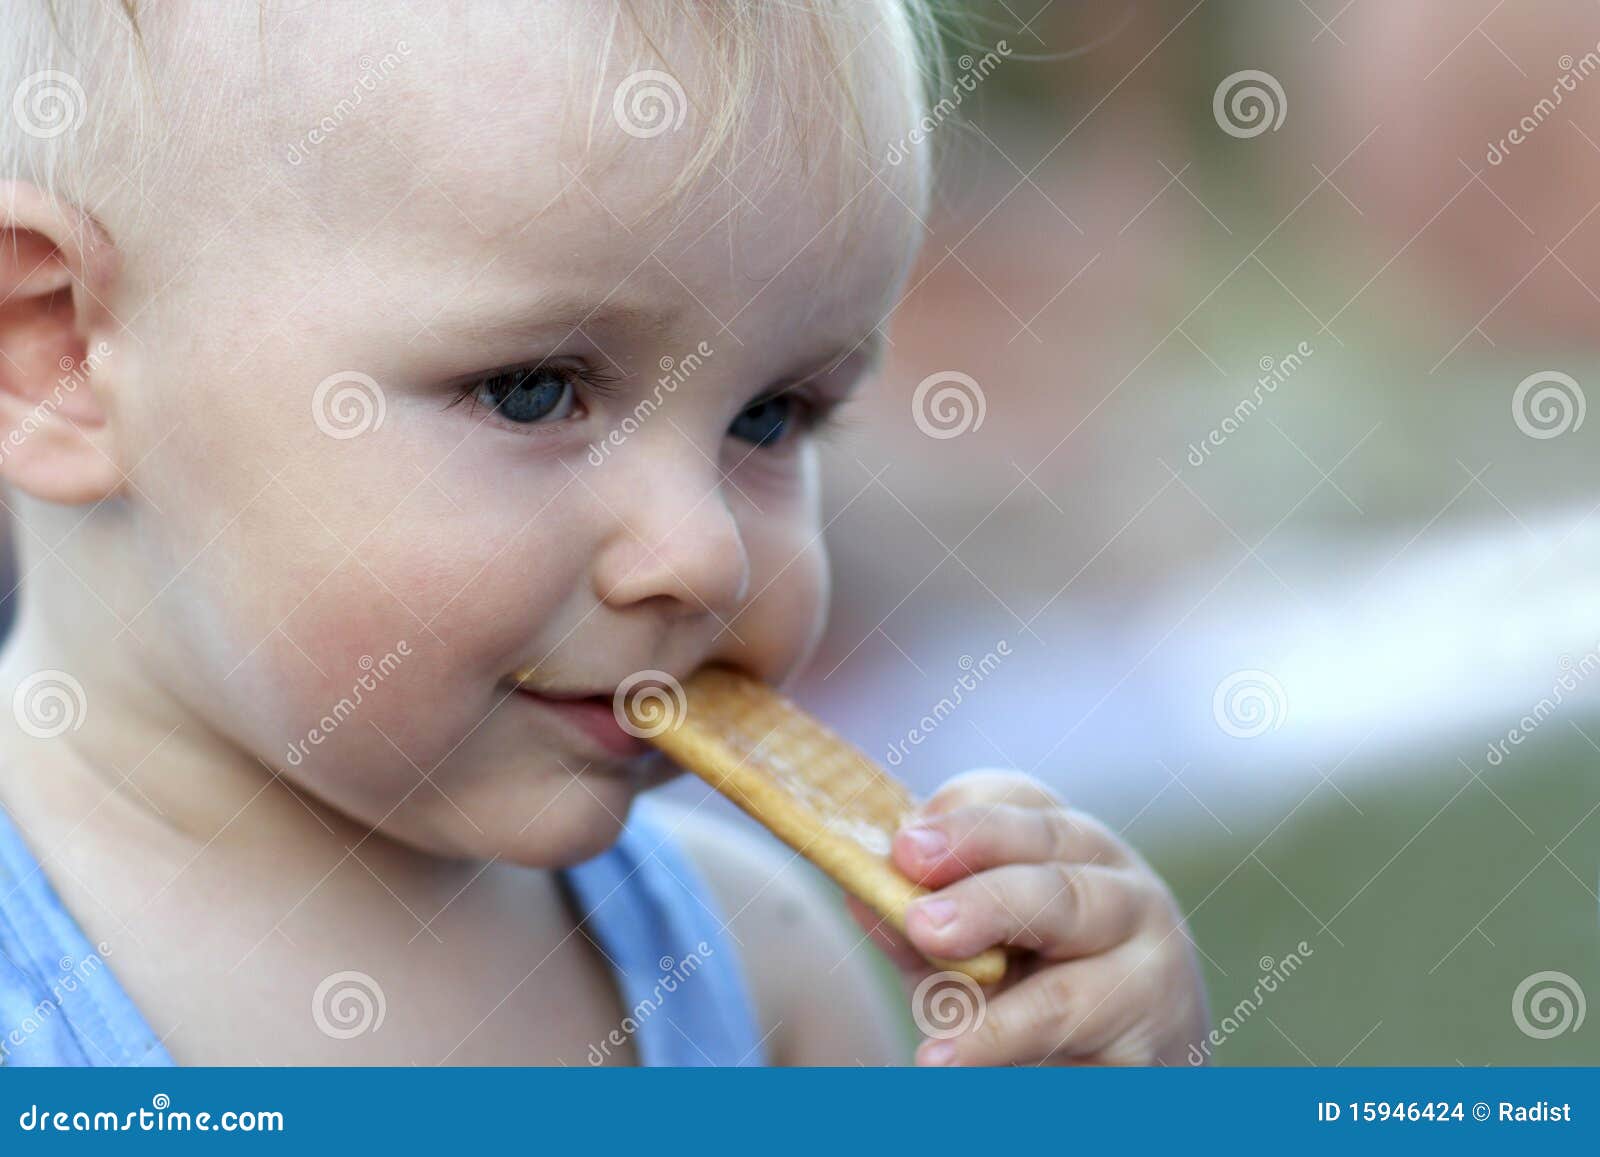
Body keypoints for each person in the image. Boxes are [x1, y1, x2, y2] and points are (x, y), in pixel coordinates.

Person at [0, 0, 1208, 1066]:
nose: (703, 554)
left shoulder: (760, 970)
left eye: (770, 415)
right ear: (61, 354)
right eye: (532, 389)